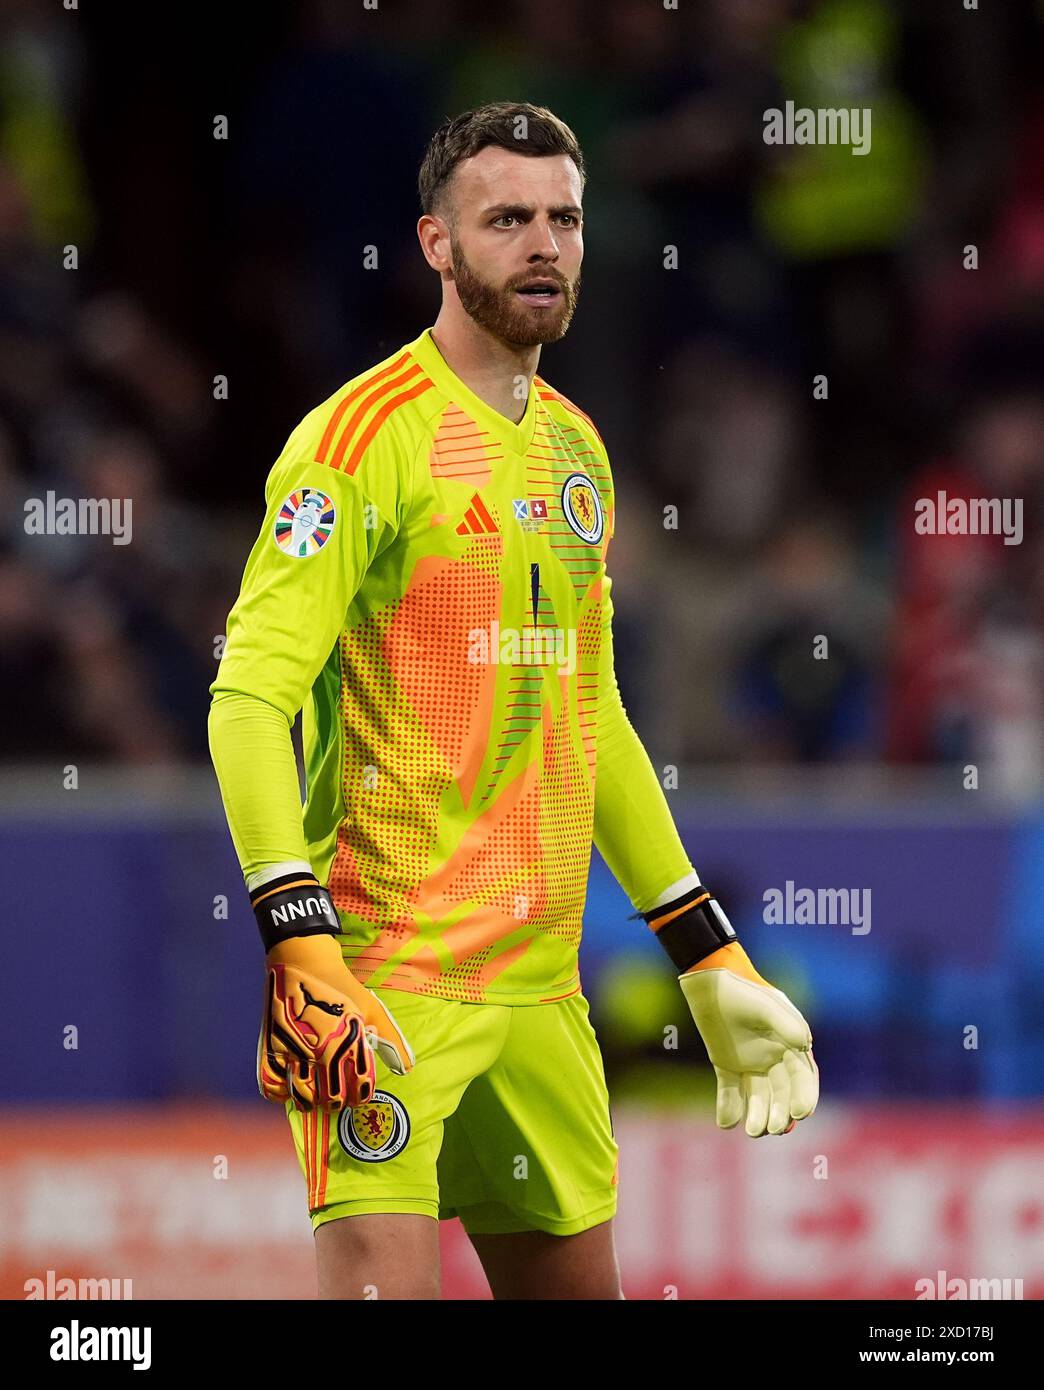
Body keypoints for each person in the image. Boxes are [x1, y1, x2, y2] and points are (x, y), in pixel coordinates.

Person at [208, 101, 818, 1301]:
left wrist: (707, 951)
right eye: (507, 219)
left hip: (543, 992)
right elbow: (247, 698)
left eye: (564, 219)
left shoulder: (578, 454)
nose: (543, 244)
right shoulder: (356, 441)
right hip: (383, 979)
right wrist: (299, 940)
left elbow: (590, 712)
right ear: (437, 243)